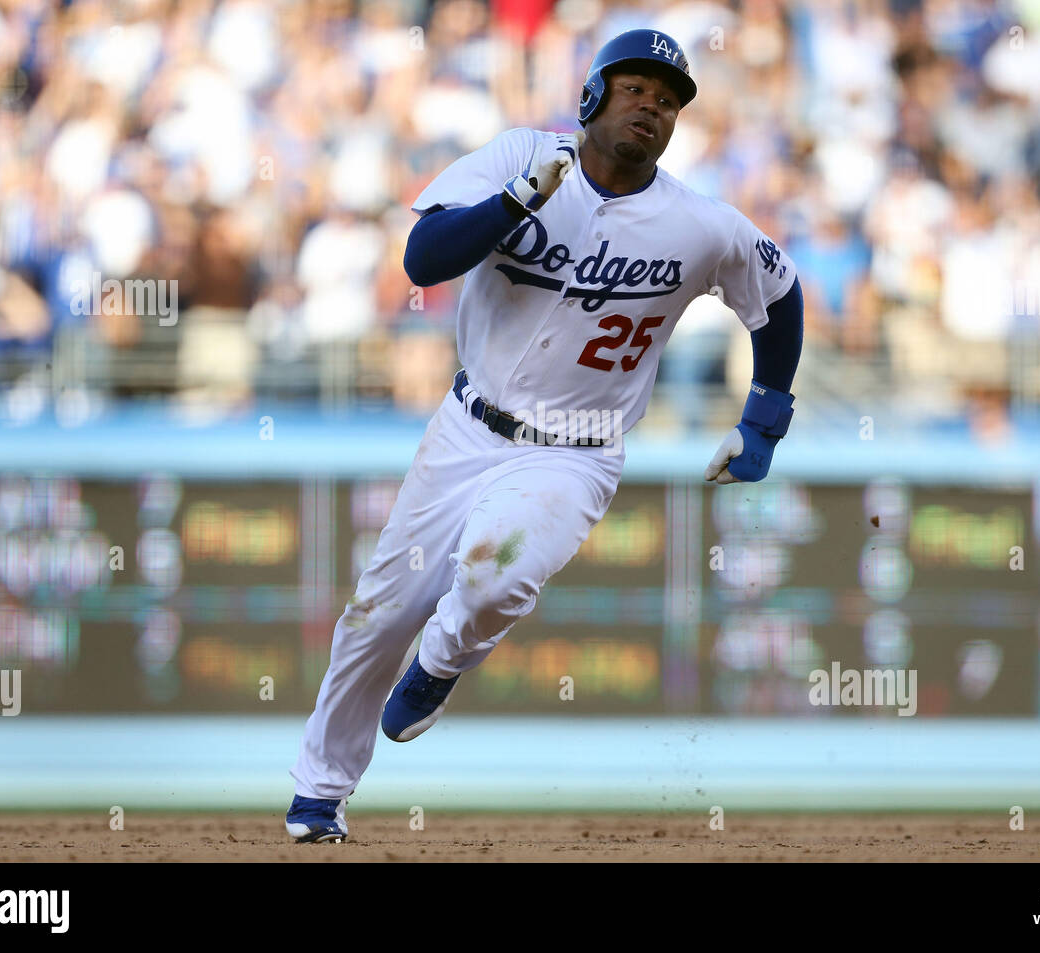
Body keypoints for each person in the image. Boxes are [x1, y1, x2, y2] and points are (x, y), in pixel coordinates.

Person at [285, 29, 805, 842]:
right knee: (376, 613)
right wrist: (516, 199)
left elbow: (779, 293)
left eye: (668, 100)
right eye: (636, 88)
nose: (653, 106)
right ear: (592, 94)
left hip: (576, 449)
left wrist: (765, 415)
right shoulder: (518, 156)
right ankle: (319, 796)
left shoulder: (698, 226)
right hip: (467, 426)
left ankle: (440, 663)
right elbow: (423, 259)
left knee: (494, 579)